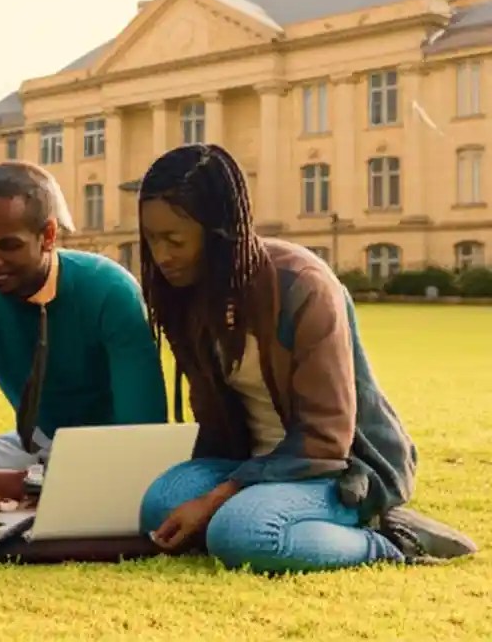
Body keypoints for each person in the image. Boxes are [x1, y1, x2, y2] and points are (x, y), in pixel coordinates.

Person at [136, 143, 477, 572]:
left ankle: (390, 541)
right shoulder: (183, 294)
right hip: (251, 464)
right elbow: (212, 417)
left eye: (175, 240)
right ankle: (263, 517)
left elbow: (325, 437)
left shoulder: (302, 286)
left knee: (244, 533)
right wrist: (211, 489)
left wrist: (218, 498)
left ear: (220, 232)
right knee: (157, 506)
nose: (161, 256)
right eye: (151, 239)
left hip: (331, 467)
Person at [0, 161, 169, 489]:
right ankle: (28, 485)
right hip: (33, 448)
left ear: (48, 235)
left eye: (9, 245)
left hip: (110, 451)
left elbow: (145, 434)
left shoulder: (109, 291)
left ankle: (34, 486)